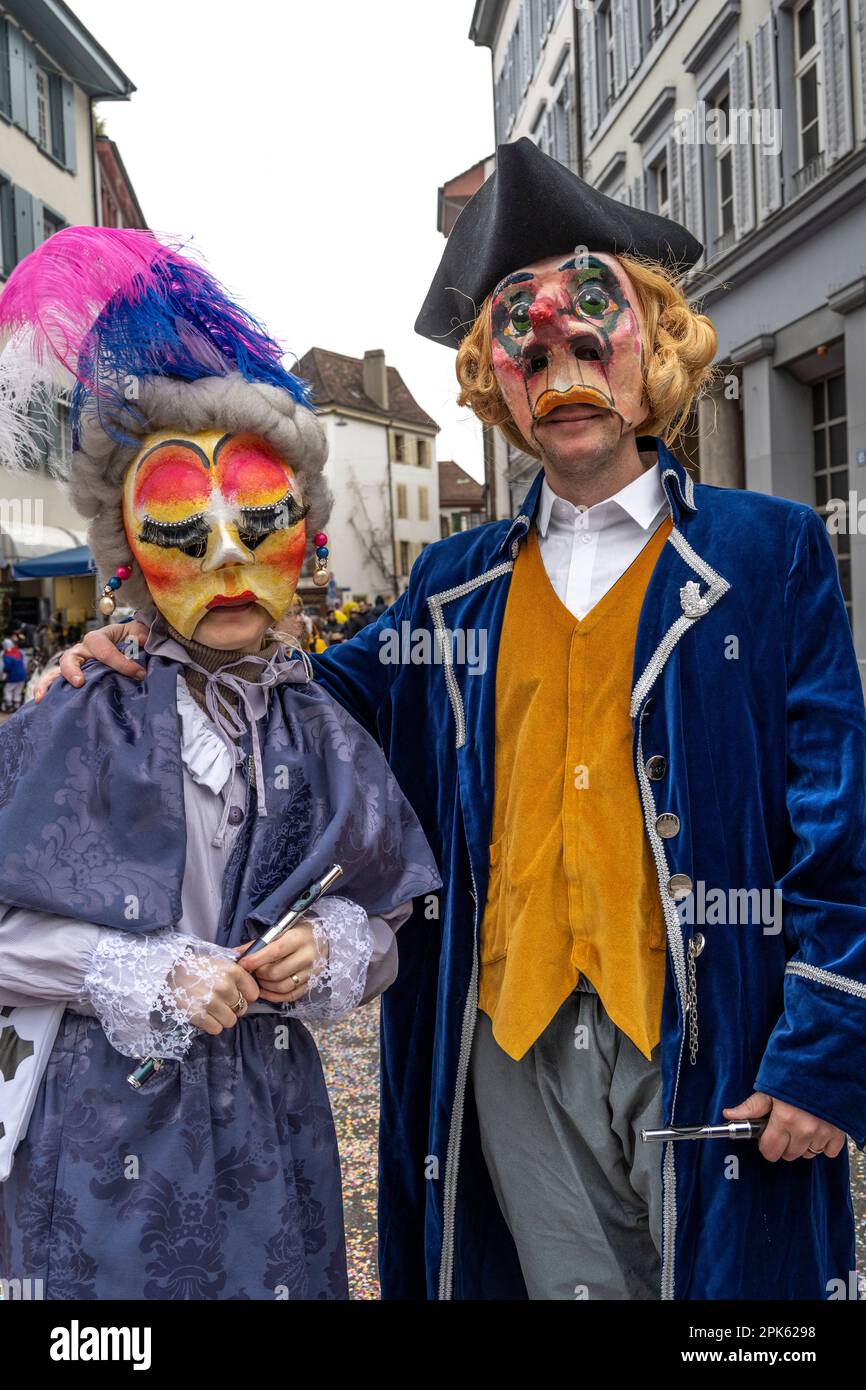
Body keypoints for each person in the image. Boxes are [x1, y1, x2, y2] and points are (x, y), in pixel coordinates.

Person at [41, 142, 866, 1302]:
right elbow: (297, 707)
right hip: (508, 1046)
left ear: (653, 350)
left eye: (593, 338)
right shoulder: (450, 585)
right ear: (497, 386)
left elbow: (841, 816)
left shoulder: (763, 552)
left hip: (712, 1029)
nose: (564, 368)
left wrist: (827, 1051)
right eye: (529, 353)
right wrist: (140, 648)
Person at [0, 227, 439, 1300]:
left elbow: (387, 920)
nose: (230, 560)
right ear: (127, 548)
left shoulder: (321, 721)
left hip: (268, 1131)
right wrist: (141, 971)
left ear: (306, 530)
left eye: (259, 521)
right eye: (185, 533)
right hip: (105, 1141)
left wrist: (333, 948)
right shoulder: (71, 713)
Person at [1, 636, 27, 712]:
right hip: (22, 676)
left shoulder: (7, 655)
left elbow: (7, 668)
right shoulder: (19, 652)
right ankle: (17, 706)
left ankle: (9, 706)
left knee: (7, 690)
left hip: (13, 676)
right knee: (18, 691)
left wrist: (4, 676)